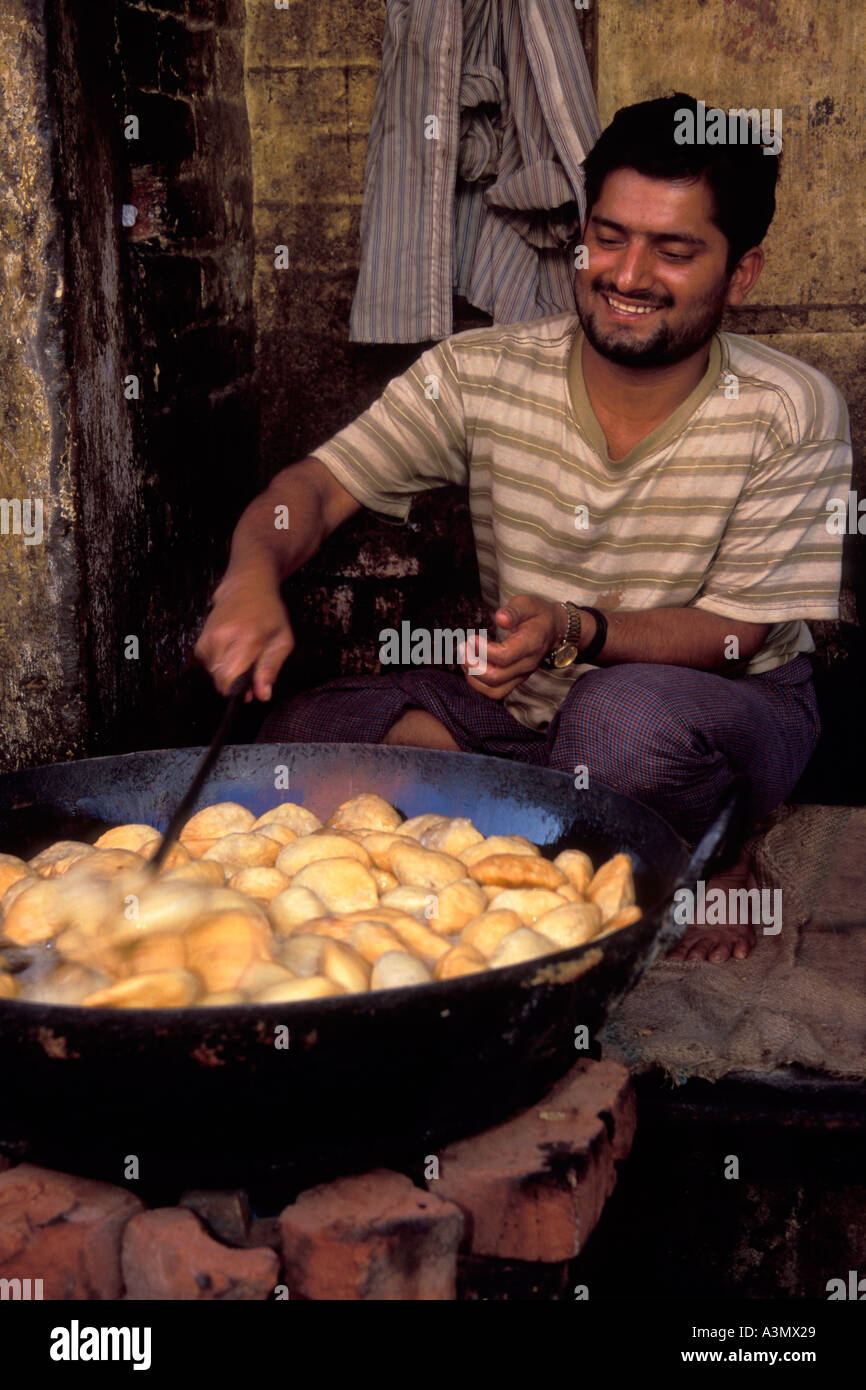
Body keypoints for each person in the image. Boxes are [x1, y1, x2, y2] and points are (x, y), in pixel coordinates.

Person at [196, 93, 852, 963]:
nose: (626, 275)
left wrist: (575, 629)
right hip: (525, 704)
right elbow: (311, 490)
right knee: (293, 749)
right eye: (609, 237)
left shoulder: (789, 408)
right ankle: (555, 805)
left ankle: (720, 851)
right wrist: (250, 577)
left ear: (741, 273)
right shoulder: (482, 373)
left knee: (622, 725)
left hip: (721, 705)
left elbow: (741, 632)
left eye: (675, 250)